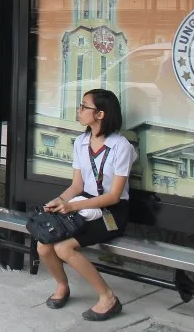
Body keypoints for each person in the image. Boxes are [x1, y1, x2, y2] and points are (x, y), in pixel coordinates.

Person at [37, 88, 137, 322]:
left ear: (100, 114)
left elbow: (114, 196)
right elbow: (76, 185)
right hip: (83, 205)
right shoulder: (81, 142)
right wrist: (60, 201)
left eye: (84, 107)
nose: (79, 111)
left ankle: (108, 298)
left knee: (64, 248)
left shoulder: (121, 146)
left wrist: (71, 207)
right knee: (43, 244)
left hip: (111, 212)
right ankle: (62, 285)